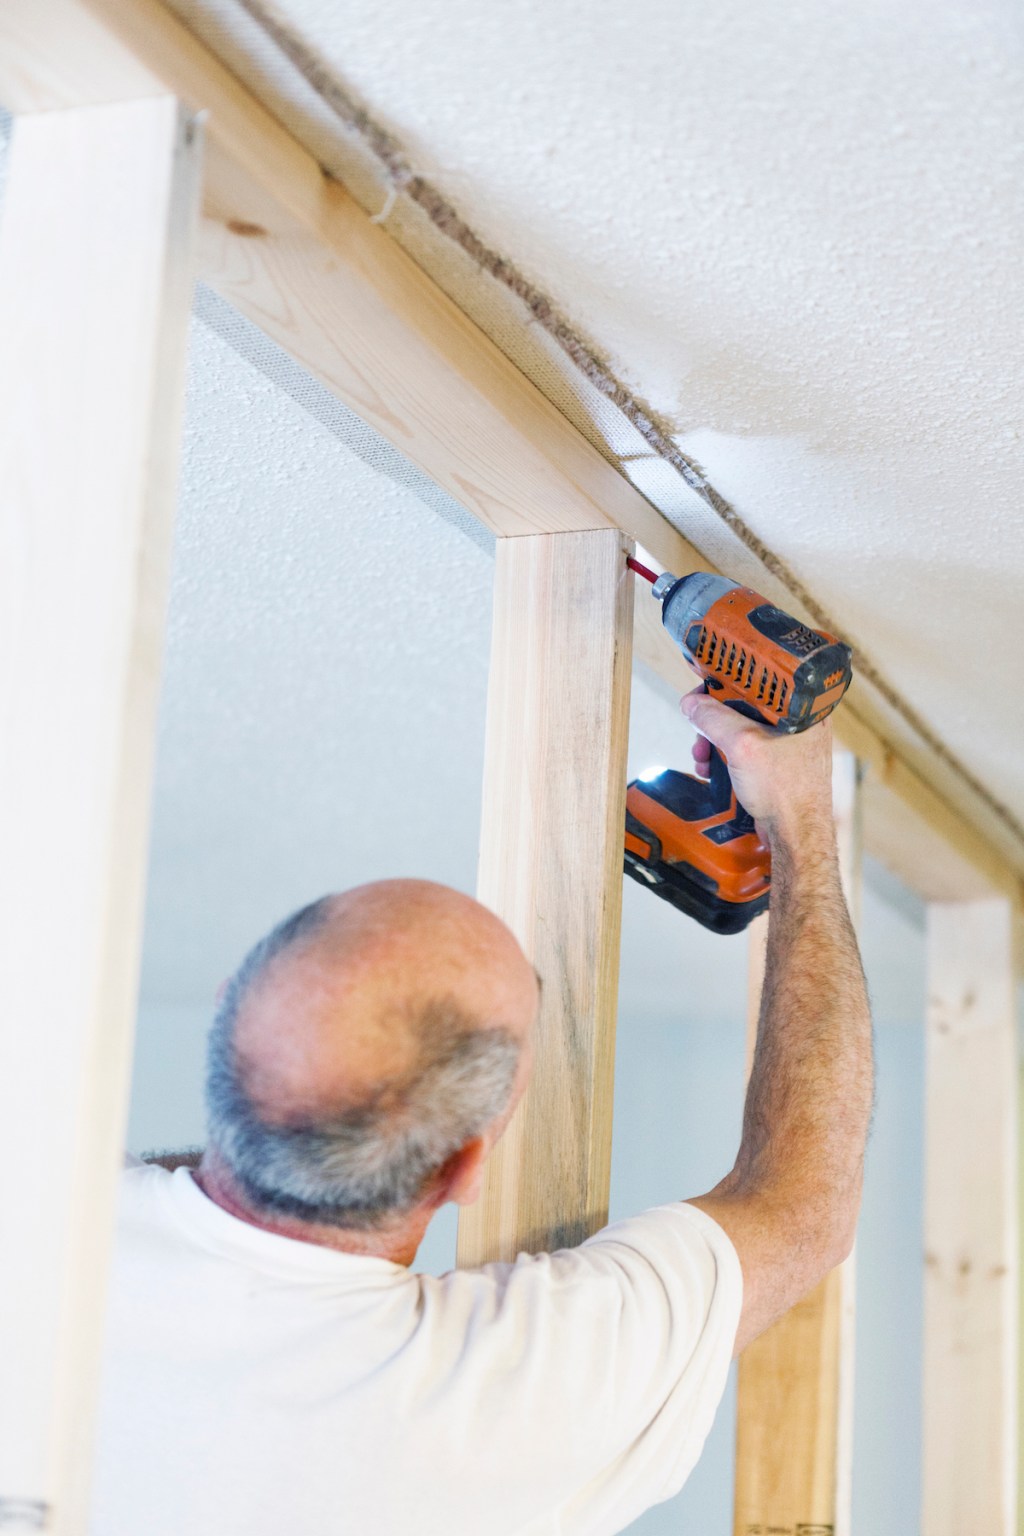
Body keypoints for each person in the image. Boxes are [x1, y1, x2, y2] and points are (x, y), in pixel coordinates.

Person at [91, 694, 873, 1535]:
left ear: (223, 1023)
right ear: (464, 1166)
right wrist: (799, 823)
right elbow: (801, 1211)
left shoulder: (39, 1241)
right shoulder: (514, 1400)